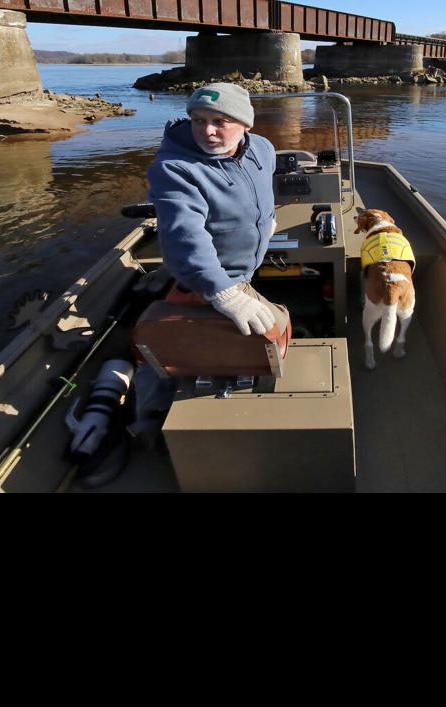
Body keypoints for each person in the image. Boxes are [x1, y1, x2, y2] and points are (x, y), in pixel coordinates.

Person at [129, 82, 281, 441]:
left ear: (245, 124)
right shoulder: (173, 168)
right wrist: (223, 292)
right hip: (205, 281)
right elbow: (185, 238)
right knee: (169, 348)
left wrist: (267, 221)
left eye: (219, 121)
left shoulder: (262, 148)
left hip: (244, 272)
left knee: (266, 332)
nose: (208, 131)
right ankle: (147, 424)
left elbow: (263, 185)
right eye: (198, 120)